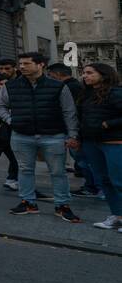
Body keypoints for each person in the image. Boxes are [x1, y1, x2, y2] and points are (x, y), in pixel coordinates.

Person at [0, 51, 81, 221]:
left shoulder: (58, 86)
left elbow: (69, 112)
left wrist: (72, 135)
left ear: (41, 65)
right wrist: (11, 121)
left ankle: (62, 205)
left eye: (26, 64)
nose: (22, 67)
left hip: (53, 135)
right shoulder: (10, 86)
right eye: (20, 64)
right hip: (21, 135)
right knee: (25, 170)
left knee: (58, 172)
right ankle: (28, 202)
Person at [75, 63, 122, 229]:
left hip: (114, 143)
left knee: (119, 181)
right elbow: (82, 119)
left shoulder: (116, 92)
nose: (85, 76)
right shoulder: (86, 94)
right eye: (84, 73)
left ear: (103, 74)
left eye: (89, 73)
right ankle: (116, 215)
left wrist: (107, 124)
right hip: (91, 142)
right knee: (104, 180)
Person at [47, 62, 100, 197]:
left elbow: (71, 111)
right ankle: (94, 186)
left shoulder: (68, 87)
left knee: (85, 160)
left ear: (58, 74)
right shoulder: (79, 86)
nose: (85, 76)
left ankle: (93, 187)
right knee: (85, 160)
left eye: (50, 75)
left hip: (77, 130)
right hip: (79, 130)